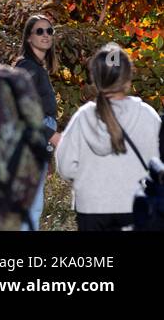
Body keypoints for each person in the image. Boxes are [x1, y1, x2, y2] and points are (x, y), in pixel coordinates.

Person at [55, 44, 163, 231]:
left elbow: (65, 167)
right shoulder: (147, 115)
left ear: (96, 78)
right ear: (128, 78)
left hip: (92, 207)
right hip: (136, 206)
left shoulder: (83, 117)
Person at [14, 13, 61, 230]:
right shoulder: (27, 68)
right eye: (39, 31)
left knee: (32, 204)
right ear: (29, 38)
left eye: (49, 31)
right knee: (31, 205)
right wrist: (50, 135)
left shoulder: (36, 68)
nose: (45, 35)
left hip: (37, 141)